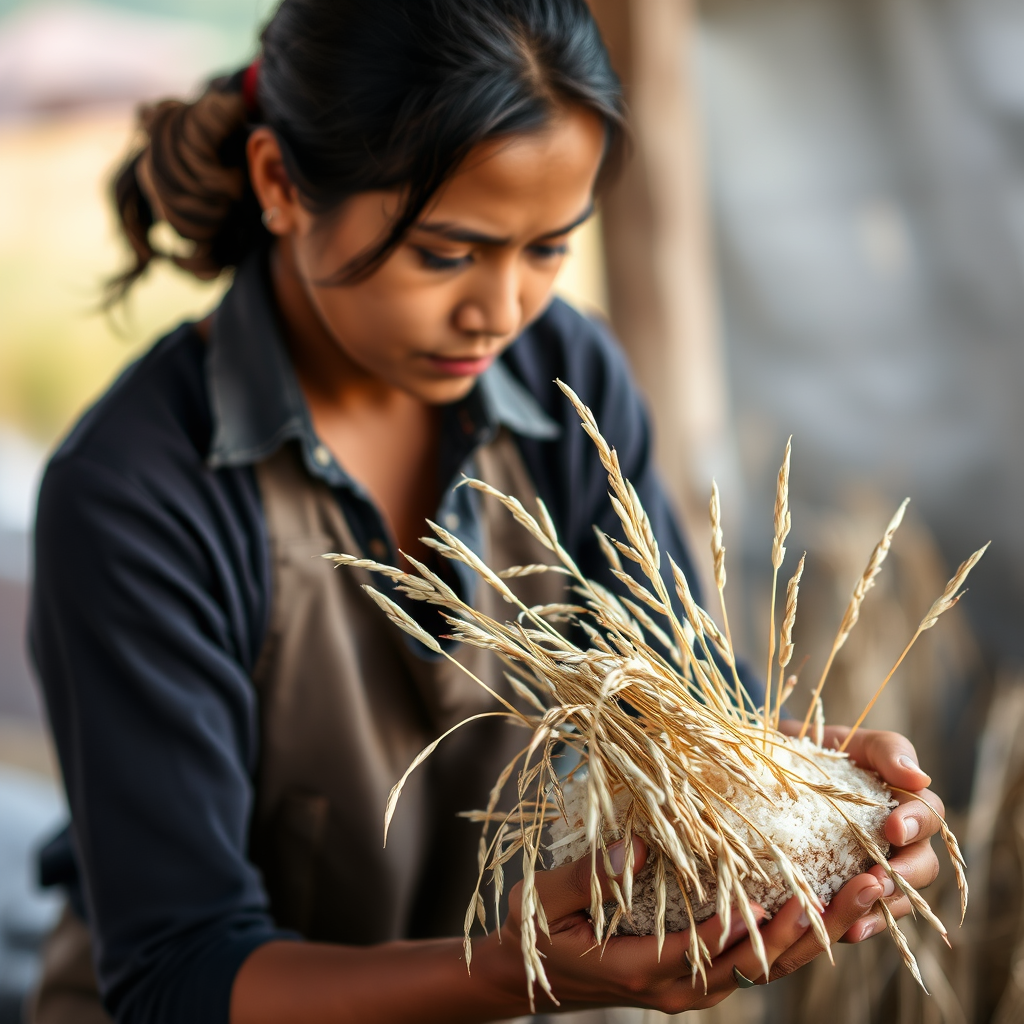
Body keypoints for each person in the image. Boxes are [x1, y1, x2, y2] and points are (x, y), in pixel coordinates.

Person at [28, 2, 943, 1022]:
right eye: (445, 252)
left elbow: (678, 711)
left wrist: (808, 797)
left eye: (548, 247)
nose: (501, 311)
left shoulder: (568, 373)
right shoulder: (135, 494)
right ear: (280, 184)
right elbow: (176, 973)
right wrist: (514, 972)